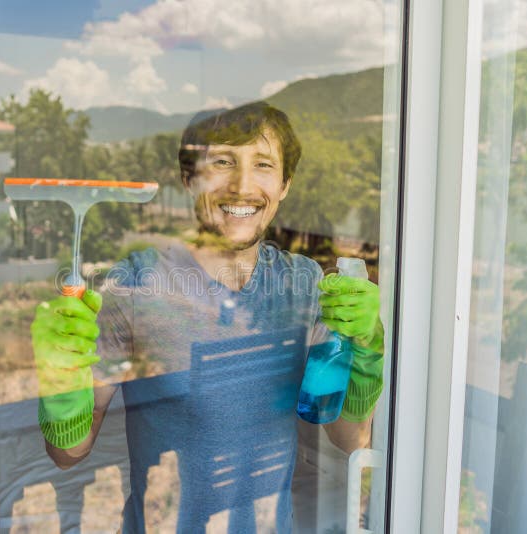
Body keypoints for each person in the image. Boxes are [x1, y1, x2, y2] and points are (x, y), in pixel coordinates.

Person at [31, 102, 385, 532]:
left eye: (263, 164)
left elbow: (351, 440)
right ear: (189, 177)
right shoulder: (135, 285)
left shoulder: (304, 284)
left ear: (285, 185)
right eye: (222, 162)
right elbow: (69, 454)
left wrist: (364, 349)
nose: (242, 185)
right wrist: (60, 376)